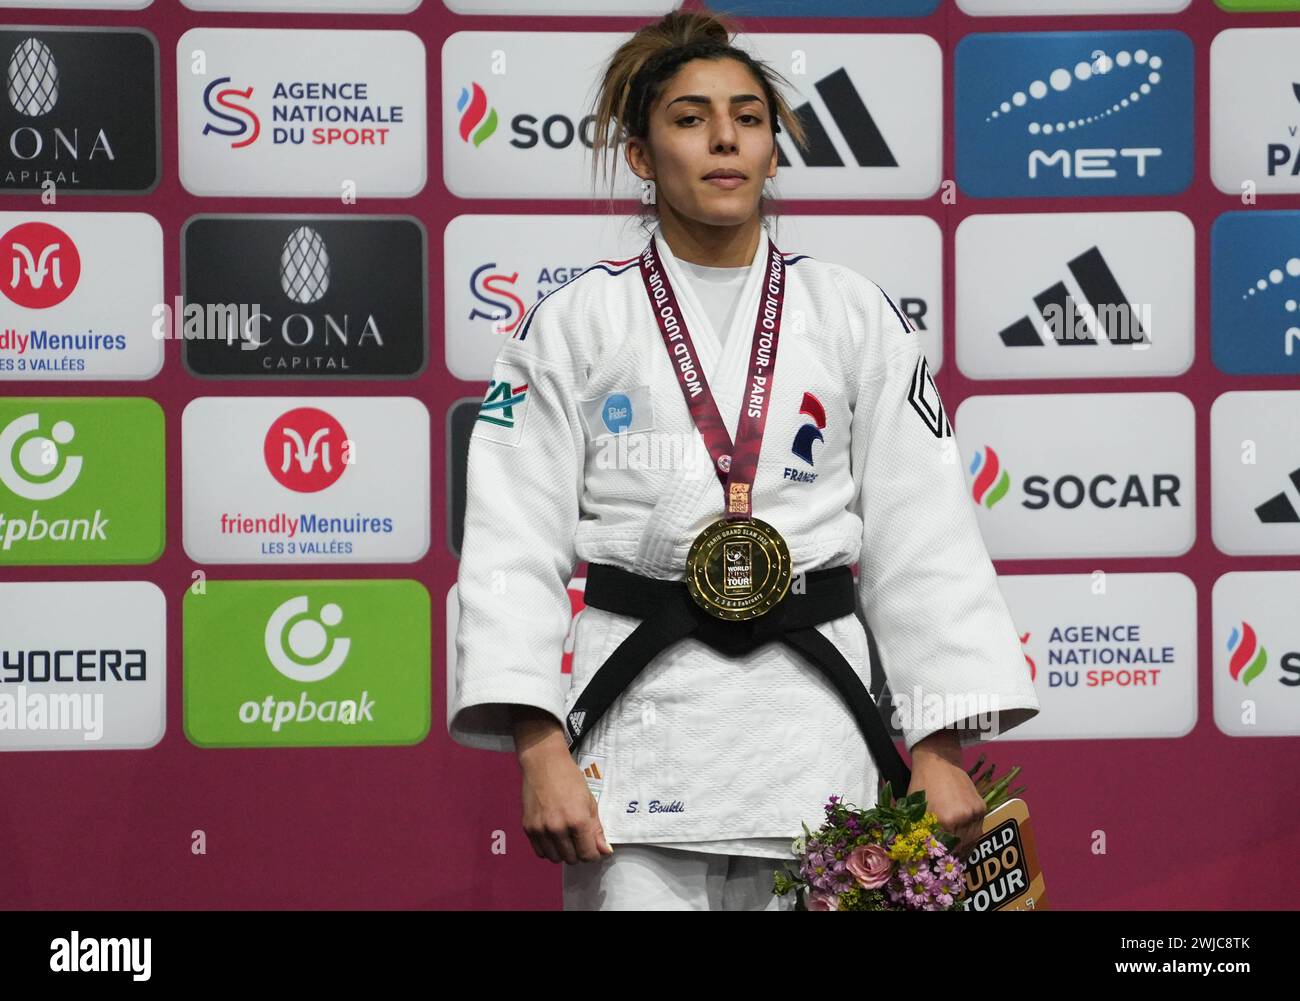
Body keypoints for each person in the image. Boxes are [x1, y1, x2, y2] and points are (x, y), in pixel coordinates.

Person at [449, 9, 1041, 911]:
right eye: (689, 118)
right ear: (641, 156)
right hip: (637, 751)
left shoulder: (852, 313)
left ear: (773, 151)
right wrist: (538, 746)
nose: (724, 137)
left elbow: (927, 535)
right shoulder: (572, 324)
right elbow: (508, 544)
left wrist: (939, 746)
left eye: (749, 117)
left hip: (819, 746)